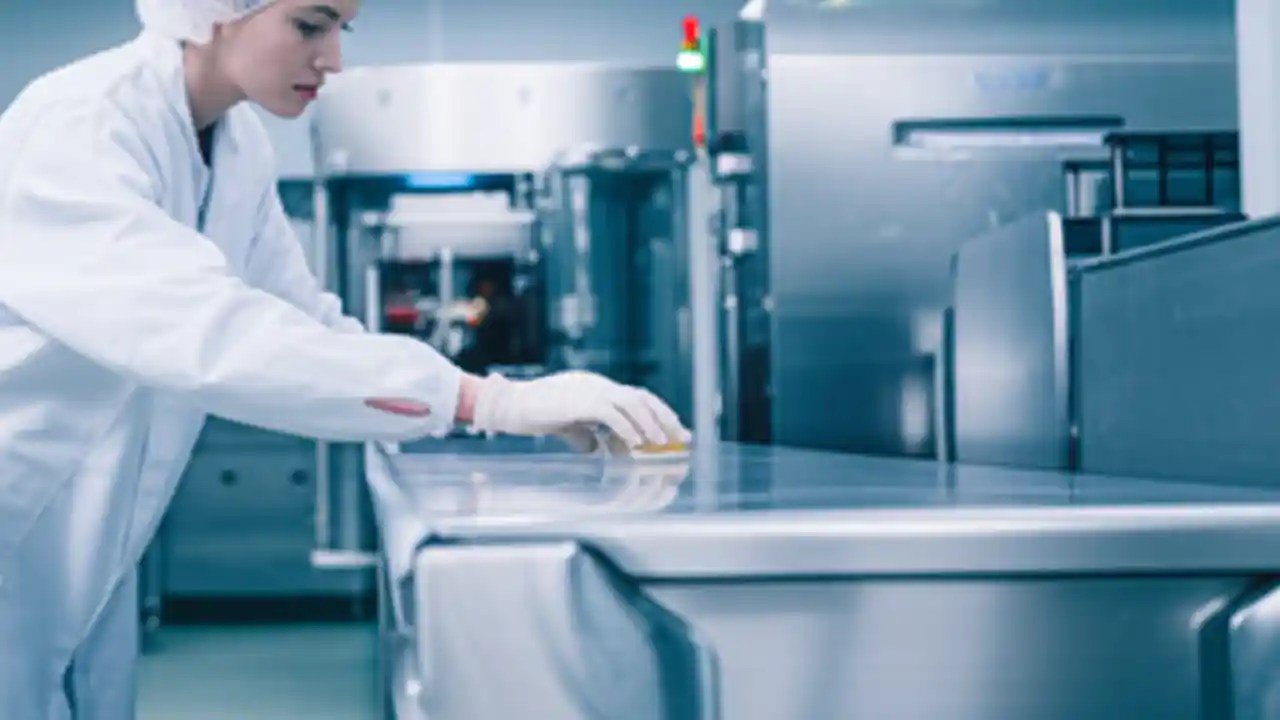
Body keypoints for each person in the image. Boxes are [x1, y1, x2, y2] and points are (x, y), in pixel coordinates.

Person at [0, 0, 690, 716]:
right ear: (216, 10)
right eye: (309, 25)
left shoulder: (237, 148)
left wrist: (490, 399)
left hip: (85, 547)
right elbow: (206, 329)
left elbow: (305, 321)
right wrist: (488, 401)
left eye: (341, 29)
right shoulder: (81, 124)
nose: (333, 60)